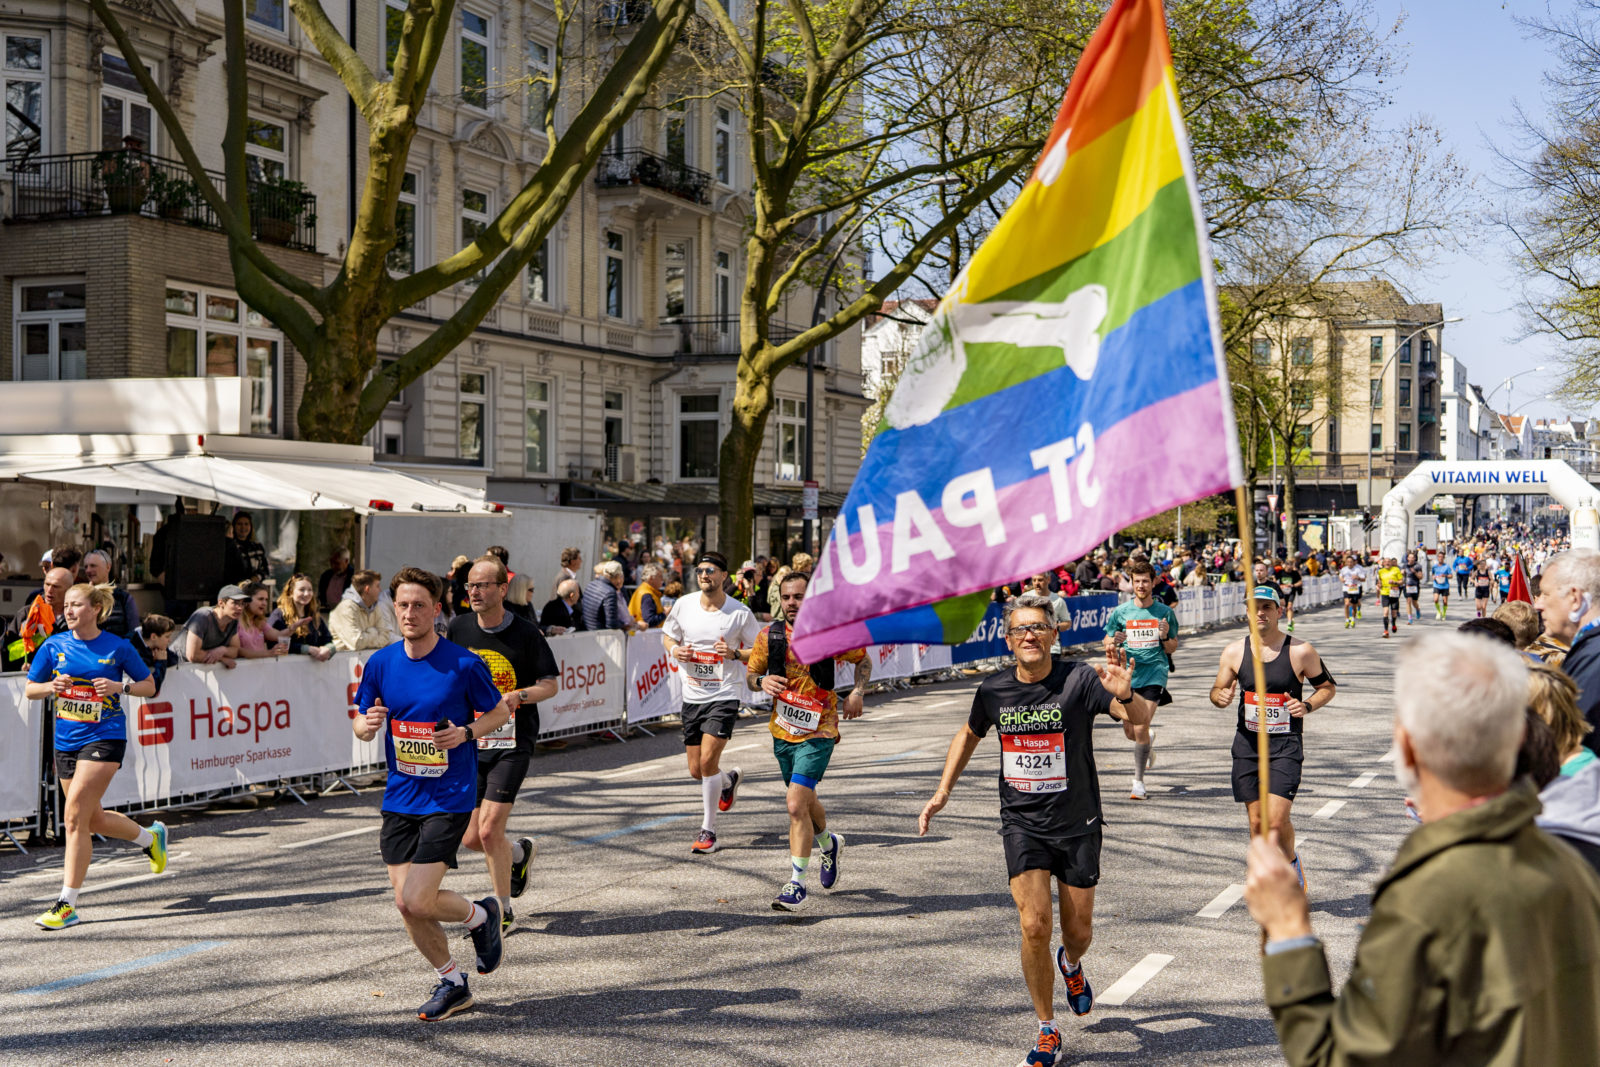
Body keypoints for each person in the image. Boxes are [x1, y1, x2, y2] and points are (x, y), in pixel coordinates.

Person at [1243, 631, 1600, 1065]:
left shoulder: (1432, 892)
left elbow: (1342, 1058)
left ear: (1409, 747)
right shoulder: (1564, 856)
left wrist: (1287, 933)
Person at [918, 594, 1152, 1067]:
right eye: (1021, 629)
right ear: (1007, 640)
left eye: (1039, 628)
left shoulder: (1081, 679)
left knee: (1078, 931)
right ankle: (1047, 1028)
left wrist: (1127, 694)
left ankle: (1071, 964)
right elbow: (968, 733)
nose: (1030, 635)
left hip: (1078, 823)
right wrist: (943, 790)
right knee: (1033, 925)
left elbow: (1137, 723)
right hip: (1022, 823)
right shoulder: (994, 689)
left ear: (1054, 634)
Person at [352, 567, 513, 1022]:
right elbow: (361, 724)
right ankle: (453, 981)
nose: (409, 613)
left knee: (418, 899)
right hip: (400, 797)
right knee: (406, 904)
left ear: (436, 610)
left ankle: (482, 916)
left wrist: (465, 733)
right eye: (402, 604)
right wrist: (367, 725)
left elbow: (498, 712)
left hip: (450, 796)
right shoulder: (381, 663)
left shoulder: (463, 663)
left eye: (419, 604)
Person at [25, 582, 165, 930]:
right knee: (92, 820)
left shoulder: (117, 647)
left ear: (96, 610)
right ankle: (151, 839)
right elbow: (30, 689)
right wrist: (50, 687)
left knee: (73, 818)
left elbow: (149, 685)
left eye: (76, 605)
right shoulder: (54, 646)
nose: (68, 611)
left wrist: (121, 687)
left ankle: (67, 904)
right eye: (66, 605)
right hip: (66, 741)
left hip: (105, 736)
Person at [448, 556, 560, 931]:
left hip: (512, 740)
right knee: (469, 839)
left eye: (482, 585)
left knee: (488, 830)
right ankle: (517, 853)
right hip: (472, 739)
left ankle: (503, 909)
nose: (475, 592)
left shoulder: (526, 633)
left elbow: (550, 684)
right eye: (469, 586)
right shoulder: (459, 627)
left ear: (501, 588)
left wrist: (519, 696)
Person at [746, 570, 869, 910]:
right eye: (786, 598)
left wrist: (857, 692)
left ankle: (796, 884)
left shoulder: (830, 634)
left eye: (798, 597)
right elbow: (752, 674)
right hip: (783, 730)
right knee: (806, 800)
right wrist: (761, 684)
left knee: (795, 804)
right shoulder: (769, 636)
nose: (791, 604)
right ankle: (828, 845)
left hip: (820, 728)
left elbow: (863, 660)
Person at [1209, 586, 1337, 887]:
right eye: (1254, 607)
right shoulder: (1234, 651)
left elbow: (1327, 688)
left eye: (1267, 607)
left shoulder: (1300, 651)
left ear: (1279, 611)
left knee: (1276, 822)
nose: (1260, 613)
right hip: (1247, 745)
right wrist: (1220, 697)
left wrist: (1306, 705)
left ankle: (1291, 861)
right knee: (1256, 823)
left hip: (1285, 745)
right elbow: (1216, 691)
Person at [662, 551, 762, 854]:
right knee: (697, 770)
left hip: (724, 694)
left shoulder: (738, 612)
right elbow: (668, 635)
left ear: (724, 577)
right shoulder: (684, 604)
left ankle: (709, 830)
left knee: (707, 762)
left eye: (711, 570)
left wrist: (733, 654)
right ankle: (727, 780)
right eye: (700, 570)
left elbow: (759, 651)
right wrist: (675, 650)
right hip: (692, 695)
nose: (704, 575)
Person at [1102, 561, 1178, 800]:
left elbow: (1174, 645)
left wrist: (1165, 637)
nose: (1141, 585)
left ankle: (1138, 783)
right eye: (1137, 581)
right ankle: (1148, 741)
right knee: (1130, 731)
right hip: (1128, 674)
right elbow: (1106, 641)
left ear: (1153, 582)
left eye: (1146, 580)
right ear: (1131, 584)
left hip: (1155, 671)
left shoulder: (1165, 613)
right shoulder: (1121, 612)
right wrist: (1114, 640)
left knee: (1141, 724)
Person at [5, 565, 71, 671]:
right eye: (47, 584)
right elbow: (9, 652)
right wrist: (22, 666)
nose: (49, 590)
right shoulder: (26, 614)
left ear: (68, 590)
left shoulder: (75, 616)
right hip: (29, 680)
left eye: (56, 586)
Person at [268, 574, 335, 661]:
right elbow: (274, 644)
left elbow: (328, 639)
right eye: (301, 590)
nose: (307, 594)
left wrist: (329, 649)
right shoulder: (279, 615)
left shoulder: (314, 616)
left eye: (310, 590)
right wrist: (305, 649)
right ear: (290, 592)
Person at [79, 550, 141, 639]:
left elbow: (133, 632)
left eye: (93, 566)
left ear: (108, 567)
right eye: (86, 567)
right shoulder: (80, 597)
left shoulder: (123, 598)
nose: (88, 570)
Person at [330, 569, 398, 651]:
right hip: (341, 661)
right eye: (377, 586)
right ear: (367, 589)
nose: (380, 590)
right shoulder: (347, 608)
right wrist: (373, 632)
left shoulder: (375, 606)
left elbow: (386, 638)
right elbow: (356, 643)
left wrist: (365, 636)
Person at [183, 584, 245, 668]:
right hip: (177, 667)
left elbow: (235, 651)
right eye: (235, 603)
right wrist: (222, 659)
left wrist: (223, 650)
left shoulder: (234, 621)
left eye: (242, 604)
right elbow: (193, 655)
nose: (240, 608)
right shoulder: (202, 616)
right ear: (221, 603)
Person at [236, 581, 289, 660]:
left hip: (260, 670)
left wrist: (294, 627)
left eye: (266, 600)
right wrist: (269, 653)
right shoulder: (235, 622)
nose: (264, 603)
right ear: (247, 600)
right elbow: (238, 651)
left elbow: (279, 635)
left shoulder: (260, 622)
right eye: (260, 599)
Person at [581, 561, 633, 633]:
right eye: (620, 576)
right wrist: (625, 625)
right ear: (617, 576)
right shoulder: (610, 592)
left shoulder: (591, 584)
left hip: (588, 631)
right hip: (600, 636)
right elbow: (612, 624)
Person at [223, 510, 270, 585]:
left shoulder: (257, 547)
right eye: (239, 524)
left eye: (246, 524)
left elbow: (265, 570)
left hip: (255, 589)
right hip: (236, 588)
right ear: (234, 526)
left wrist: (257, 577)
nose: (243, 527)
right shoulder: (230, 547)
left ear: (251, 526)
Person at [628, 563, 668, 629]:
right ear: (651, 578)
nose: (662, 579)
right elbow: (649, 621)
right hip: (646, 636)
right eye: (660, 576)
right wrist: (665, 613)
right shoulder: (647, 595)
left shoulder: (644, 590)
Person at [1376, 556, 1403, 639]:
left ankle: (1394, 624)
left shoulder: (1396, 570)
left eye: (1389, 561)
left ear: (1391, 563)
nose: (1387, 563)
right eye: (1385, 562)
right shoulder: (1380, 571)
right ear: (1383, 563)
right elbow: (1379, 582)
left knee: (1394, 612)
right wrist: (1379, 585)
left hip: (1394, 592)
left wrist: (1394, 582)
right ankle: (1386, 630)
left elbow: (1401, 581)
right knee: (1386, 612)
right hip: (1384, 593)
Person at [1338, 554, 1364, 628]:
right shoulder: (1344, 569)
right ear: (1346, 562)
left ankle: (1352, 618)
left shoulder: (1357, 569)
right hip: (1346, 588)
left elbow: (1363, 579)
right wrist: (1341, 579)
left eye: (1351, 562)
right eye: (1348, 562)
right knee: (1346, 604)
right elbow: (1340, 575)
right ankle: (1347, 620)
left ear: (1354, 562)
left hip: (1355, 588)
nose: (1349, 563)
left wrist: (1358, 577)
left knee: (1354, 606)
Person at [1400, 550, 1422, 625]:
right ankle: (1410, 619)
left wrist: (1414, 572)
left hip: (1415, 586)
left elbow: (1420, 577)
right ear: (1407, 558)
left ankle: (1417, 609)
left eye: (1413, 557)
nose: (1411, 559)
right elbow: (1401, 574)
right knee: (1408, 601)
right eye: (1410, 557)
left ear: (1415, 558)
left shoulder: (1418, 566)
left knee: (1414, 602)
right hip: (1407, 586)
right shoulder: (1404, 565)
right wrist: (1402, 573)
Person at [1429, 552, 1452, 620]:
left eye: (1442, 557)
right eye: (1439, 557)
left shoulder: (1447, 566)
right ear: (1437, 558)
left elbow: (1451, 576)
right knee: (1435, 599)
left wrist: (1445, 575)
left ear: (1444, 558)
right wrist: (1433, 577)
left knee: (1445, 601)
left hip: (1445, 586)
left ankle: (1444, 613)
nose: (1440, 558)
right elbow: (1432, 573)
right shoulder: (1435, 566)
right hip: (1437, 585)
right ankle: (1439, 612)